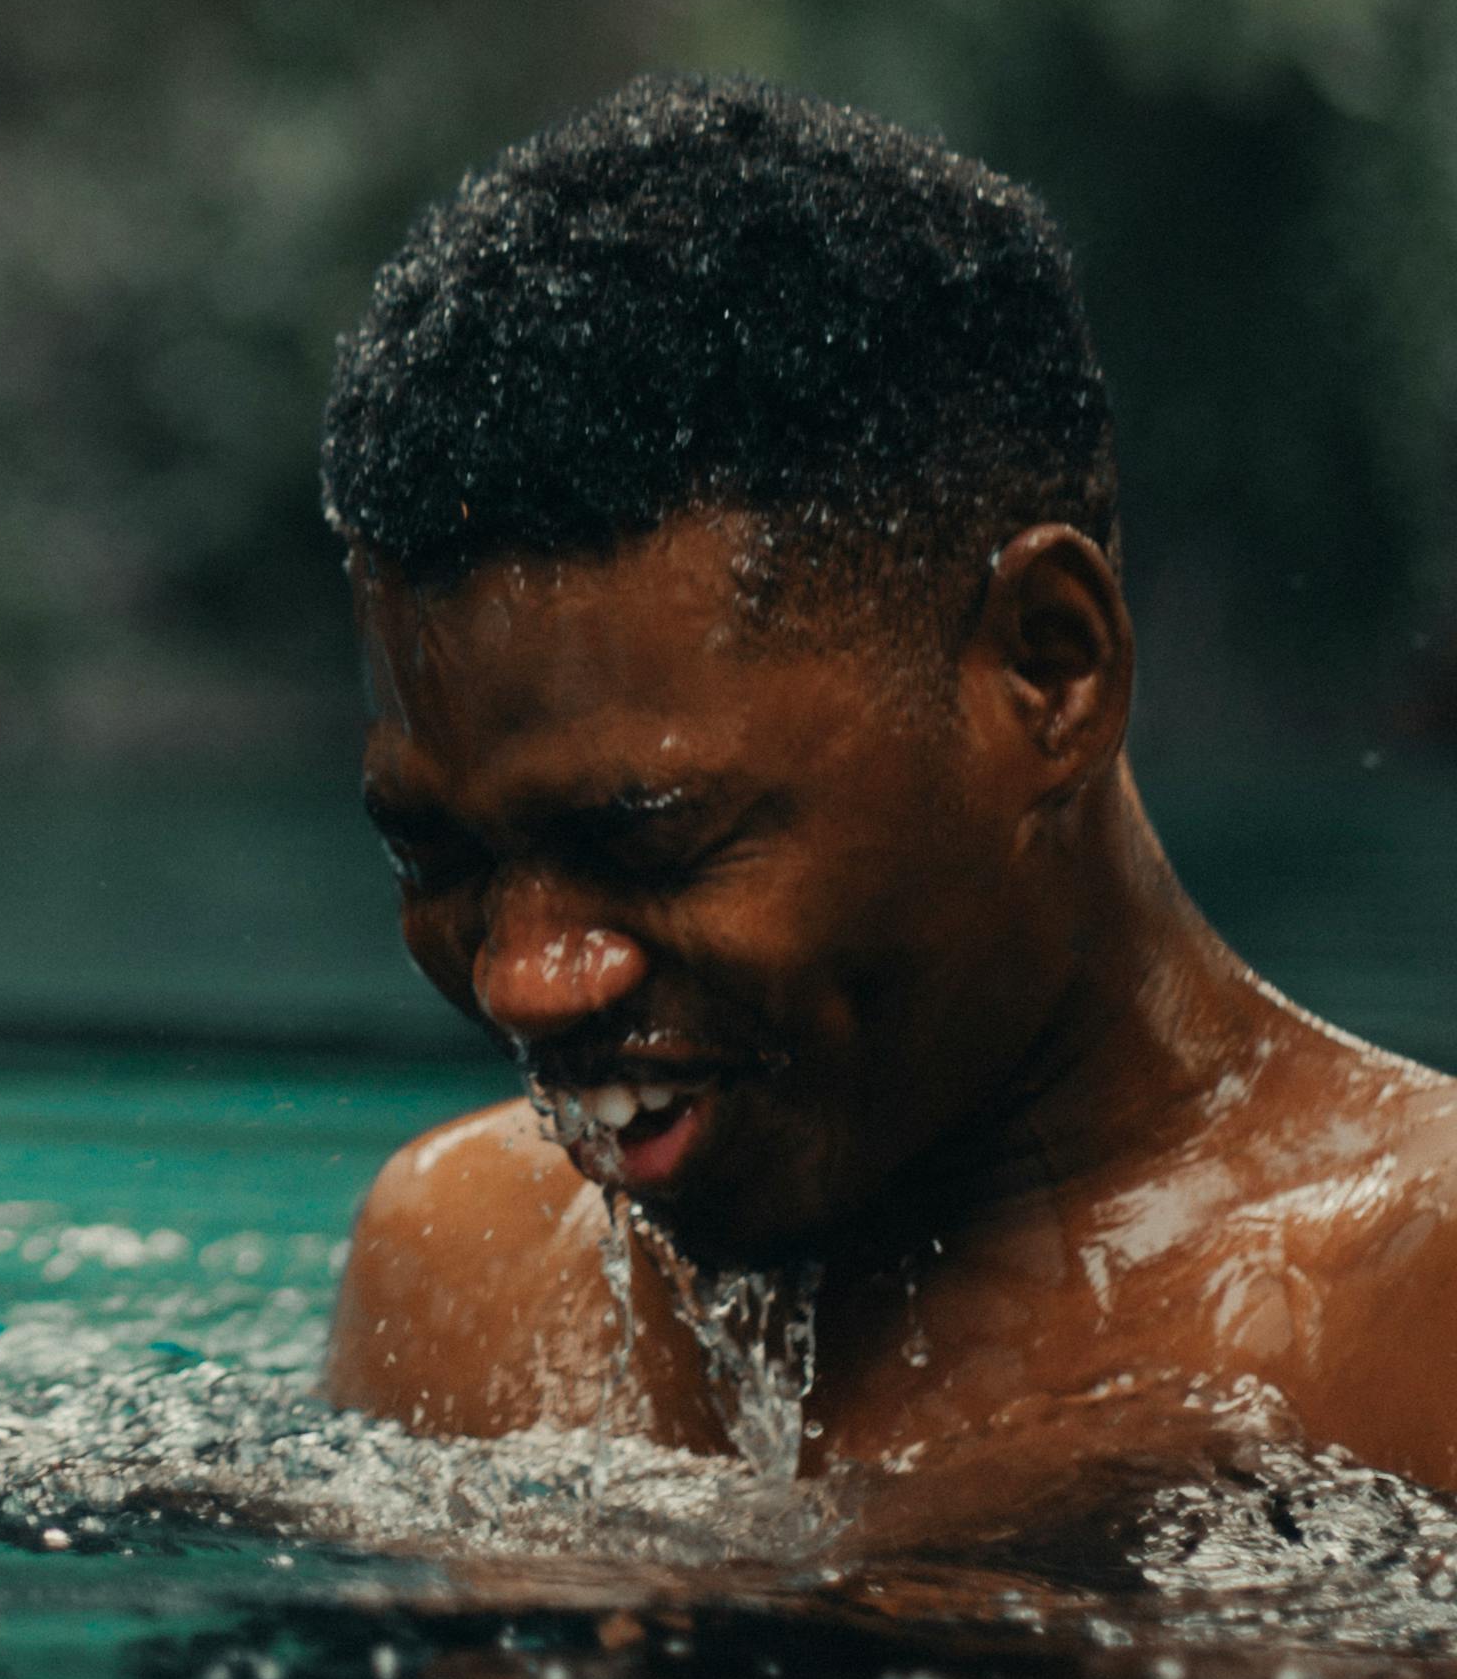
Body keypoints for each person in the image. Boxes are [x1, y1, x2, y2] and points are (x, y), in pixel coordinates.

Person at [315, 78, 1457, 1522]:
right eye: (440, 853)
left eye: (651, 839)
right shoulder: (465, 1271)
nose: (530, 980)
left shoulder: (1425, 1322)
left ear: (1047, 672)